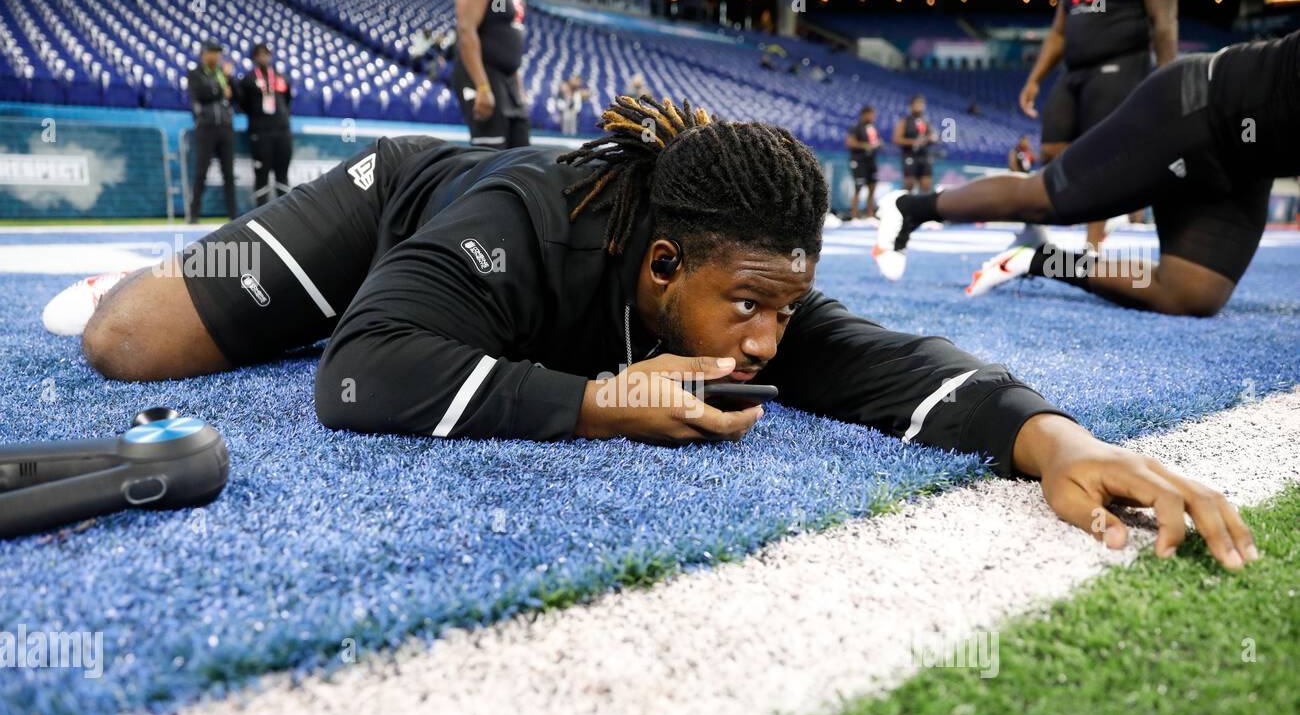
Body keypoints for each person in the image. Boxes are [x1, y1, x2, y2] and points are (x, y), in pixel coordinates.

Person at [62, 93, 1256, 571]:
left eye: (785, 308)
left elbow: (896, 365)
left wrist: (1057, 442)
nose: (766, 341)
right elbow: (361, 379)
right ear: (661, 265)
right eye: (746, 308)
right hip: (396, 204)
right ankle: (202, 263)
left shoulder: (749, 283)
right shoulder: (528, 223)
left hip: (462, 284)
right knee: (129, 341)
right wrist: (597, 403)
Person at [871, 30, 1298, 318]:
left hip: (1246, 164)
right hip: (1197, 106)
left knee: (1194, 293)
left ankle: (1035, 260)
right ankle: (910, 207)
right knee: (1046, 199)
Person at [1019, 0, 1179, 249]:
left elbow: (1164, 19)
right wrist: (1035, 78)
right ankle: (1036, 231)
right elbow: (1058, 32)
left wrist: (1169, 77)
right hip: (1076, 69)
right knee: (1050, 150)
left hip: (1120, 63)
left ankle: (1092, 245)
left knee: (1100, 153)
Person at [452, 0, 530, 149]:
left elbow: (500, 33)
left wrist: (517, 85)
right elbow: (466, 31)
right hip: (484, 75)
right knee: (491, 156)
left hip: (507, 81)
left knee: (521, 154)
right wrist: (483, 87)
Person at [236, 42, 293, 208]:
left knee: (282, 173)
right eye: (260, 54)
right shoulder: (248, 79)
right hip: (260, 132)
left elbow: (287, 100)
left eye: (266, 53)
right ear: (254, 57)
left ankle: (286, 212)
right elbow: (242, 104)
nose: (264, 57)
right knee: (262, 174)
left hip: (282, 130)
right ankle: (261, 212)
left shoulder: (281, 77)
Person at [186, 39, 237, 224]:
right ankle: (193, 214)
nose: (216, 56)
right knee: (201, 172)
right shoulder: (195, 74)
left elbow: (234, 96)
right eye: (212, 52)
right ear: (203, 54)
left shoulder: (223, 74)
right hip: (206, 128)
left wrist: (229, 79)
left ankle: (234, 215)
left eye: (218, 52)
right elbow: (203, 94)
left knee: (229, 174)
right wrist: (221, 89)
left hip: (225, 127)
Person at [892, 95, 937, 193]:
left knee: (926, 186)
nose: (920, 106)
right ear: (911, 106)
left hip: (924, 156)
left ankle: (923, 208)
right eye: (917, 103)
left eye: (922, 104)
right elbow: (896, 139)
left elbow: (934, 137)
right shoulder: (904, 121)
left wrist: (931, 139)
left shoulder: (926, 122)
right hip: (910, 155)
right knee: (909, 185)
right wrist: (914, 142)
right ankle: (905, 206)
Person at [844, 105, 881, 222]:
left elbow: (875, 142)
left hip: (871, 161)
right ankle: (855, 215)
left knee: (872, 187)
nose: (872, 117)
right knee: (858, 187)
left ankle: (870, 214)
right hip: (859, 160)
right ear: (864, 115)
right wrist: (866, 145)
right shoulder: (855, 127)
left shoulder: (873, 128)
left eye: (873, 115)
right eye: (870, 114)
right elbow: (849, 142)